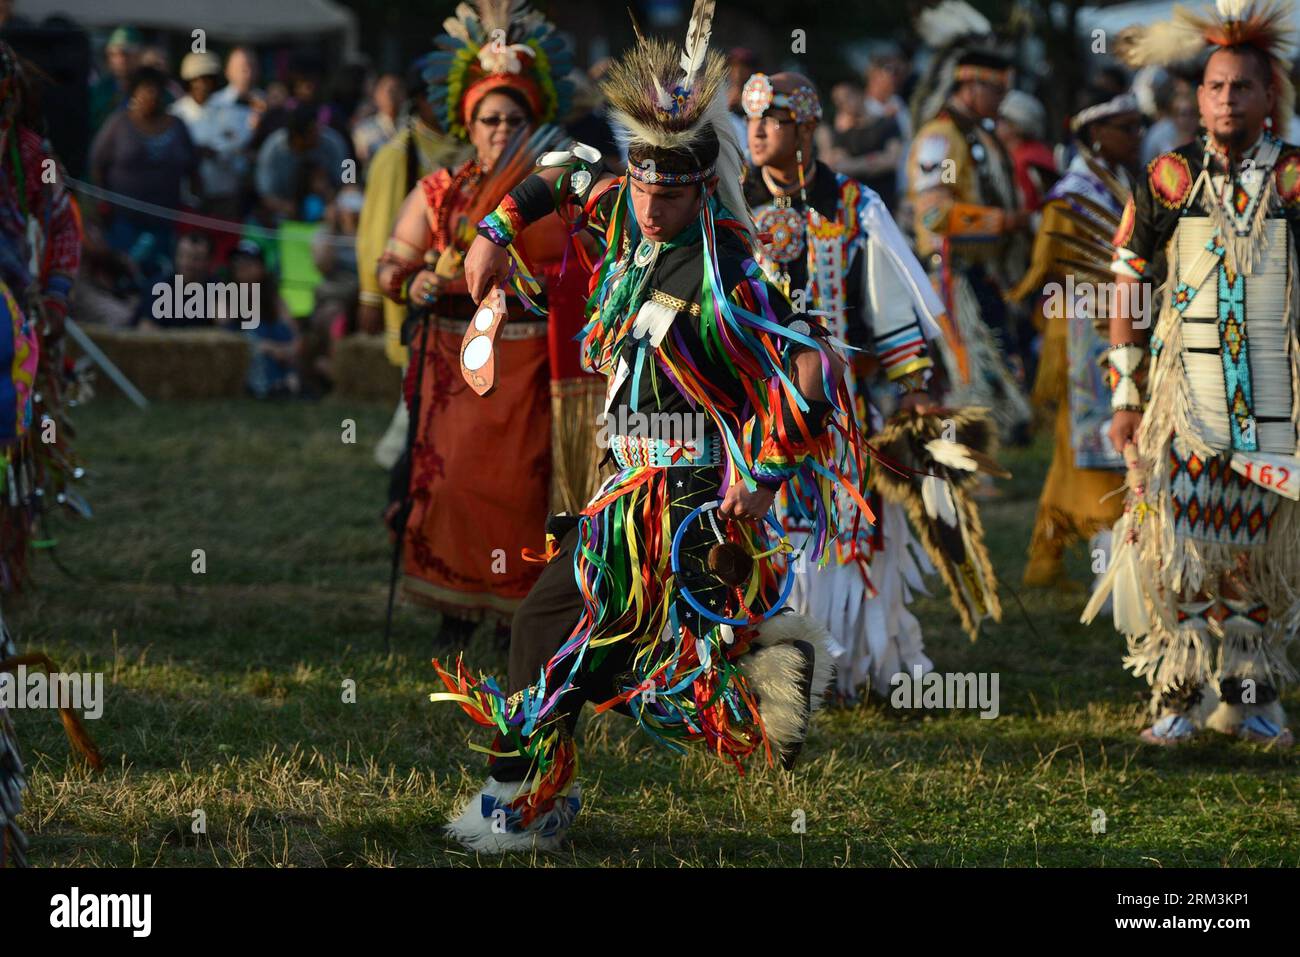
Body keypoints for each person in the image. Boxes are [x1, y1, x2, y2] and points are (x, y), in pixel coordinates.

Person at [435, 0, 865, 852]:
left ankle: (523, 799)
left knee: (572, 637)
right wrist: (494, 229)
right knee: (587, 638)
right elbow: (561, 169)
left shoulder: (728, 268)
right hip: (622, 485)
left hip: (687, 493)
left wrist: (767, 468)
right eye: (640, 185)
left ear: (703, 188)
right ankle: (761, 654)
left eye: (669, 193)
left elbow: (815, 362)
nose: (649, 205)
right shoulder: (620, 217)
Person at [743, 70, 1003, 698]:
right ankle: (772, 664)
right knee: (768, 526)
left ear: (805, 128)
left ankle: (850, 664)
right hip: (755, 403)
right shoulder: (732, 202)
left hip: (841, 408)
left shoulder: (853, 205)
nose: (755, 131)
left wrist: (912, 383)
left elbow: (888, 302)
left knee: (845, 529)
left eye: (771, 119)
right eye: (750, 118)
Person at [1084, 1, 1300, 747]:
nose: (1227, 100)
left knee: (1257, 559)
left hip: (1275, 404)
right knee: (1177, 550)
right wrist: (1124, 393)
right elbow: (1128, 282)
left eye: (1242, 87)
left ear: (1270, 96)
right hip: (1184, 404)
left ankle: (1248, 695)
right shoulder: (1170, 178)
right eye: (1215, 87)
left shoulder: (1297, 181)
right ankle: (1176, 693)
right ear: (1198, 96)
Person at [375, 0, 599, 643]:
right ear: (468, 123)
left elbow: (595, 259)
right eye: (489, 118)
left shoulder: (562, 187)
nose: (501, 129)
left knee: (524, 493)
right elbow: (393, 266)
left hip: (537, 366)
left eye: (515, 117)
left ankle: (515, 618)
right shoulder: (440, 190)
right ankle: (454, 611)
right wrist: (413, 279)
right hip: (456, 367)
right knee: (453, 488)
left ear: (535, 121)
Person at [1006, 90, 1141, 589]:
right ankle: (1096, 562)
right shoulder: (1073, 194)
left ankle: (1049, 556)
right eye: (1126, 128)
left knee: (1083, 449)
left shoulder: (1123, 182)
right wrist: (1021, 296)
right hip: (1082, 334)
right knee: (1088, 446)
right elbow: (1045, 268)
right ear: (1095, 135)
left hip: (1122, 328)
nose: (1137, 136)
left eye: (1138, 126)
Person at [908, 1, 1033, 444]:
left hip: (977, 272)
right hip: (949, 274)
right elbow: (937, 213)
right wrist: (1007, 221)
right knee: (967, 371)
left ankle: (983, 462)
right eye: (997, 92)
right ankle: (968, 473)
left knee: (989, 366)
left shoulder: (973, 135)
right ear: (973, 86)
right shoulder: (941, 139)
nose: (1002, 102)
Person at [356, 62, 470, 469]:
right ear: (419, 101)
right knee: (418, 370)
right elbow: (375, 230)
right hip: (408, 280)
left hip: (457, 288)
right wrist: (370, 292)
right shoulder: (396, 156)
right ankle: (401, 453)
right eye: (438, 98)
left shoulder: (467, 151)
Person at [89, 66, 199, 289]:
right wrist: (101, 204)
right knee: (124, 277)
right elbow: (96, 164)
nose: (151, 96)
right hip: (123, 221)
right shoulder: (118, 124)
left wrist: (197, 207)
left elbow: (194, 167)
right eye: (145, 91)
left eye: (156, 91)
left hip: (165, 222)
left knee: (162, 277)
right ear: (134, 94)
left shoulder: (177, 126)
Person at [170, 51, 254, 220]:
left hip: (225, 192)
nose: (202, 85)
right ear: (188, 82)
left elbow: (240, 148)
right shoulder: (175, 113)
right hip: (188, 196)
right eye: (197, 80)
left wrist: (218, 152)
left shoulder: (233, 111)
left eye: (207, 79)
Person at [816, 80, 904, 210]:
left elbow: (891, 160)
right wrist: (873, 161)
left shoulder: (887, 124)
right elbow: (837, 165)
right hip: (855, 208)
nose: (843, 104)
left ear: (860, 94)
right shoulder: (843, 136)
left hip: (885, 204)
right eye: (838, 102)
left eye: (847, 97)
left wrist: (854, 164)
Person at [255, 102, 348, 222]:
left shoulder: (334, 142)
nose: (319, 135)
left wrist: (328, 193)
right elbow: (265, 194)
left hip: (328, 210)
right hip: (282, 214)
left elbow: (349, 178)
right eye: (313, 132)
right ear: (297, 137)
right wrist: (289, 208)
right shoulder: (273, 149)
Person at [997, 89, 1057, 215]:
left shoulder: (1023, 160)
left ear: (1015, 126)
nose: (997, 124)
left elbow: (1029, 208)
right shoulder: (1041, 152)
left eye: (1002, 119)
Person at [88, 25, 139, 133]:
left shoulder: (150, 89)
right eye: (113, 54)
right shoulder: (98, 90)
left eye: (126, 54)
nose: (120, 60)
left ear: (138, 56)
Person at [353, 73, 403, 169]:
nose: (391, 96)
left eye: (396, 90)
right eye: (387, 91)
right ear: (376, 95)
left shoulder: (412, 127)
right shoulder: (363, 130)